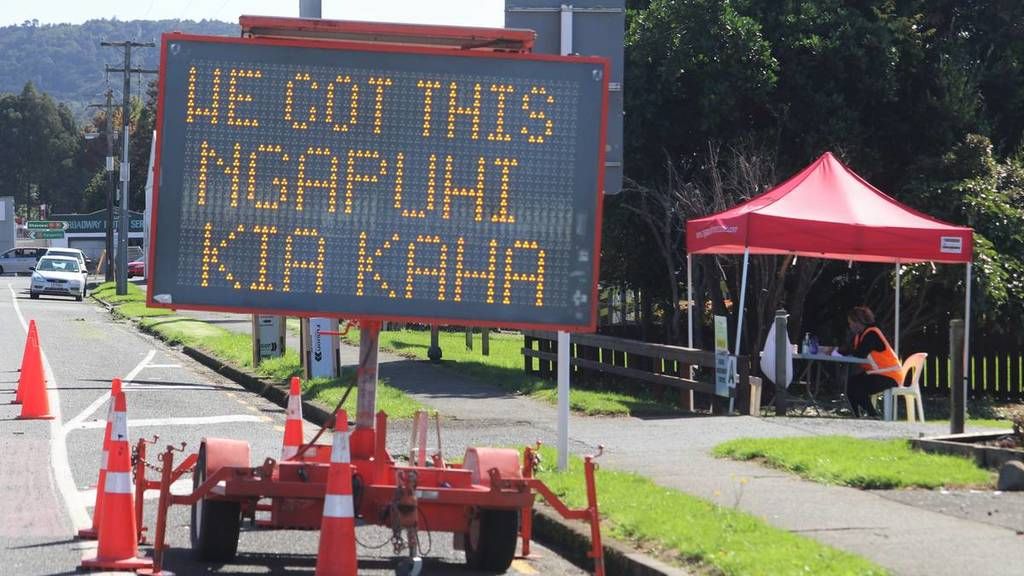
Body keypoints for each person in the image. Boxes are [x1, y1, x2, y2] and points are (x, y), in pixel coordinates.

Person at [844, 306, 903, 418]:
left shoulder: (872, 334)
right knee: (850, 384)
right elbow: (850, 349)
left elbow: (860, 353)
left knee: (857, 387)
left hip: (891, 375)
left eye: (851, 322)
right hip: (879, 373)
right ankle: (856, 415)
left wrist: (843, 351)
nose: (850, 325)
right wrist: (837, 350)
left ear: (858, 322)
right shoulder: (860, 336)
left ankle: (873, 415)